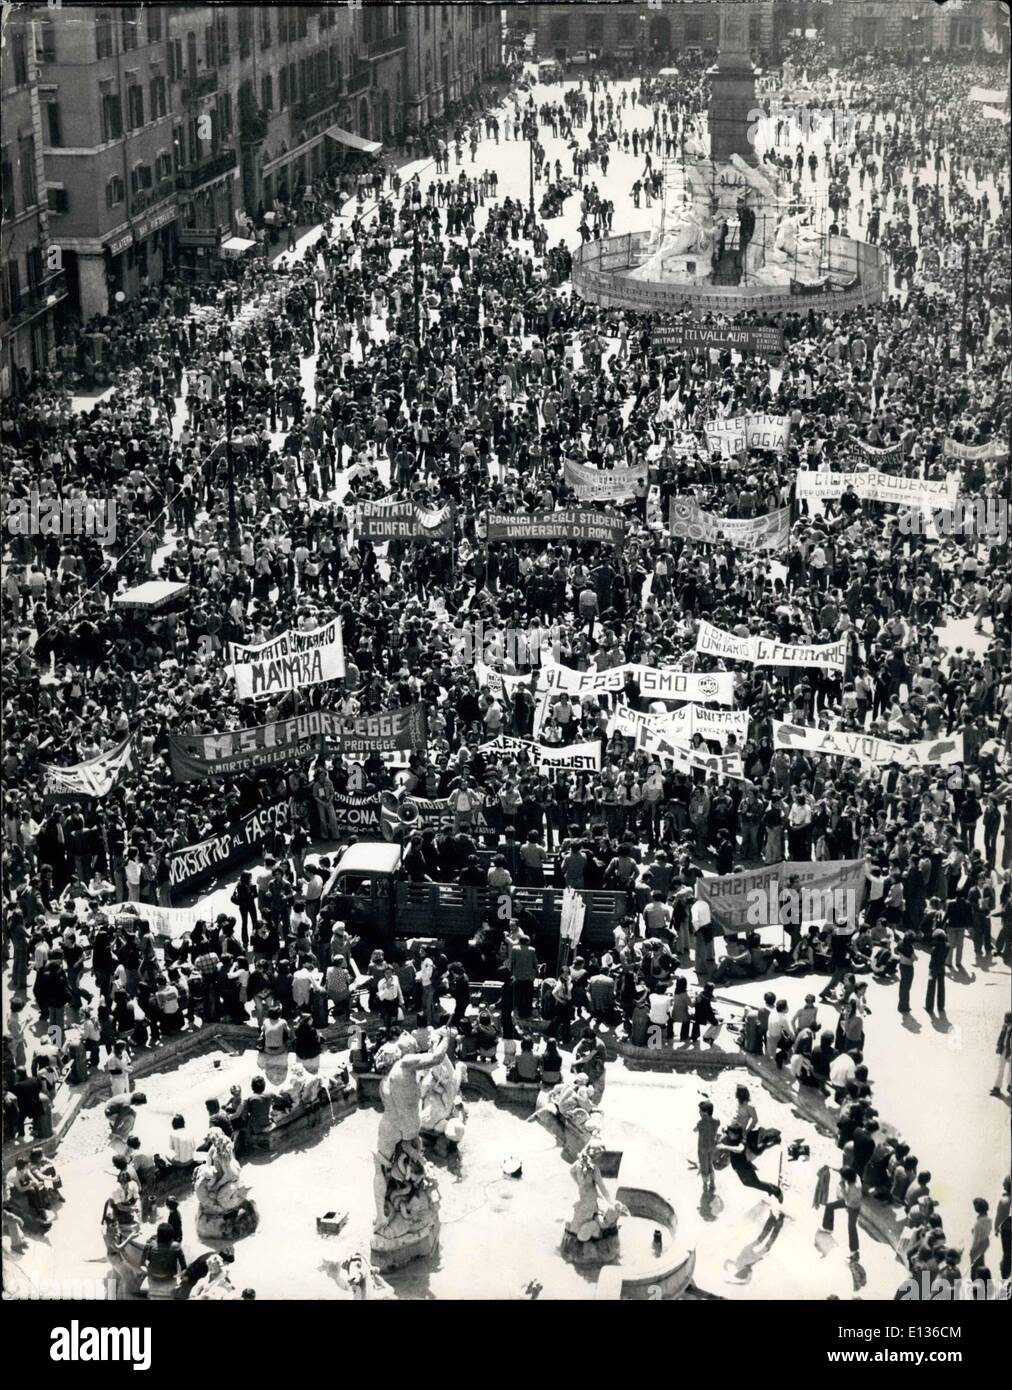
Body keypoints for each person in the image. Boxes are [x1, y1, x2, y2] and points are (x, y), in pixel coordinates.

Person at [821, 1165, 862, 1258]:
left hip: (853, 1206)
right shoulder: (856, 1176)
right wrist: (831, 1168)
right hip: (851, 1202)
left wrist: (842, 1186)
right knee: (830, 1206)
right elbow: (843, 1171)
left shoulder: (853, 1187)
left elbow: (847, 1199)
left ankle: (854, 1251)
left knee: (851, 1228)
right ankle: (828, 1228)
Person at [142, 1221, 186, 1299]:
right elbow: (184, 1268)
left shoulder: (151, 1244)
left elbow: (145, 1262)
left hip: (153, 1277)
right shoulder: (176, 1246)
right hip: (168, 1277)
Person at [695, 1099, 719, 1196]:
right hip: (712, 1147)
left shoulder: (701, 1123)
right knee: (710, 1165)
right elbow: (718, 1124)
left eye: (700, 1111)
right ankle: (712, 1183)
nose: (699, 1112)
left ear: (705, 1113)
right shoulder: (716, 1121)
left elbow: (696, 1129)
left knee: (704, 1167)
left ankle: (705, 1184)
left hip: (703, 1149)